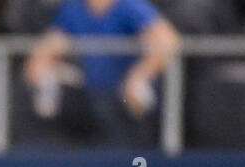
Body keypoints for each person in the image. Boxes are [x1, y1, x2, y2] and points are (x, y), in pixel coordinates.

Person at [23, 0, 180, 145]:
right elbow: (44, 53)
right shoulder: (74, 8)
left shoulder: (130, 5)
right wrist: (46, 79)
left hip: (126, 107)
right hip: (91, 104)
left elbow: (168, 40)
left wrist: (137, 78)